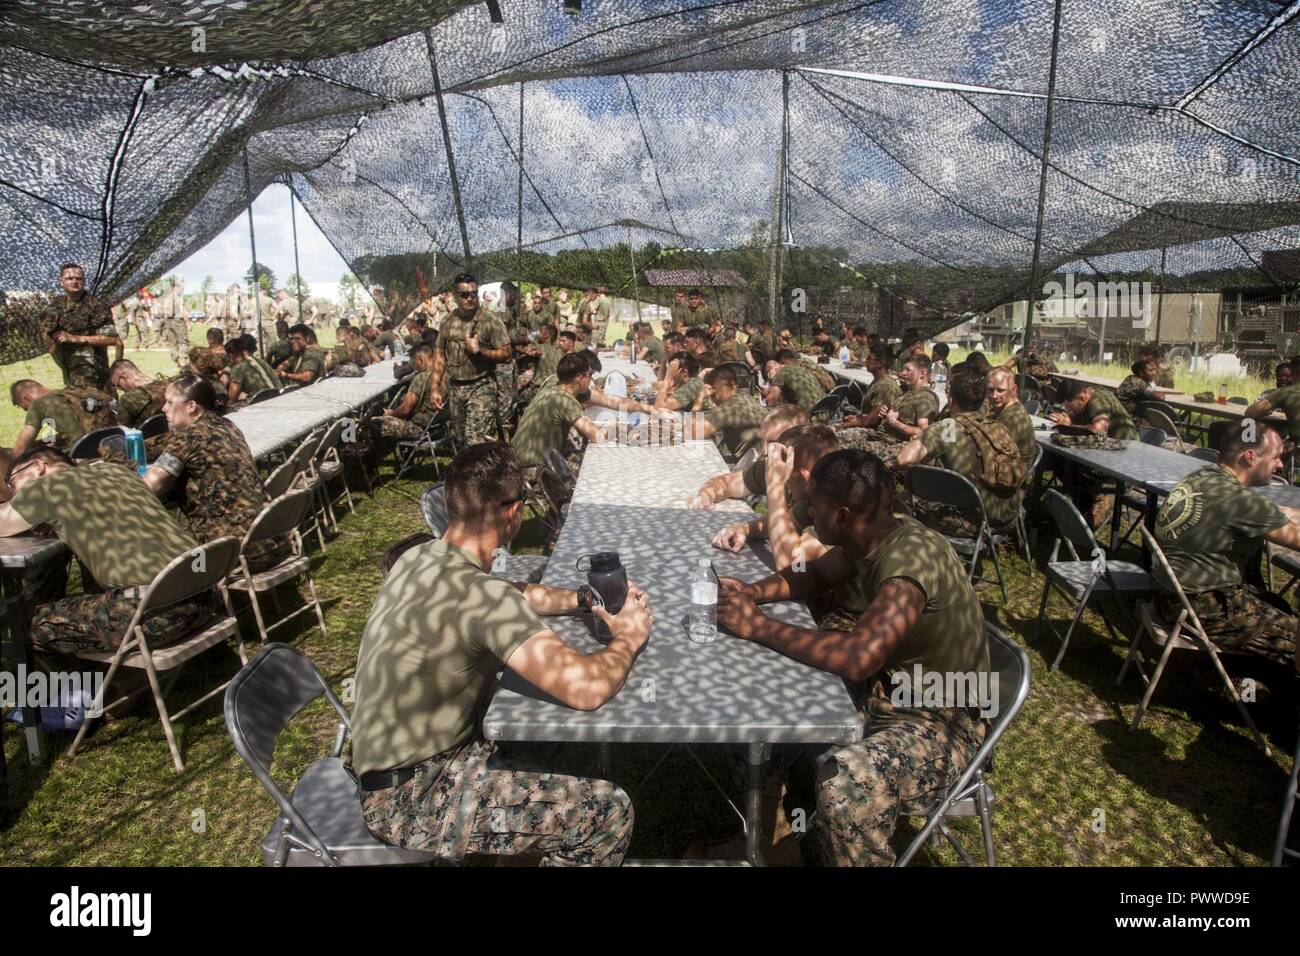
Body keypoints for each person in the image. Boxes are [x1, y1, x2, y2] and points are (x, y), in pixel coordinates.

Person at [351, 443, 652, 866]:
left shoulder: (418, 558)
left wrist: (584, 598)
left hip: (386, 767)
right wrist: (628, 638)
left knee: (545, 744)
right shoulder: (486, 599)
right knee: (606, 812)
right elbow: (586, 689)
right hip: (413, 799)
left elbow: (515, 594)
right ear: (512, 515)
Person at [714, 449, 990, 866]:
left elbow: (860, 657)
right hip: (889, 691)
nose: (805, 511)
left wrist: (758, 626)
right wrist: (753, 593)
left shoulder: (909, 563)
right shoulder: (873, 535)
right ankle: (770, 841)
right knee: (759, 707)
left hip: (942, 720)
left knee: (848, 783)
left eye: (812, 504)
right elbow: (817, 573)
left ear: (842, 515)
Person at [0, 446, 210, 669]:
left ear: (38, 467)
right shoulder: (115, 471)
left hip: (159, 614)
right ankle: (118, 681)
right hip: (205, 595)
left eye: (13, 483)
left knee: (27, 624)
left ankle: (77, 695)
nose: (14, 495)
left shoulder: (48, 487)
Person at [1152, 425, 1300, 669]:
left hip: (1170, 596)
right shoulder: (1239, 501)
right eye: (1276, 457)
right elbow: (1293, 536)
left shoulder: (1206, 477)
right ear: (1250, 456)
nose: (1281, 465)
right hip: (1208, 608)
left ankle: (1242, 677)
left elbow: (1278, 512)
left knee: (1278, 604)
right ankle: (1253, 691)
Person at [136, 375, 286, 569]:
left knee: (154, 546)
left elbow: (150, 485)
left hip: (232, 552)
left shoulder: (189, 438)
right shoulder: (228, 425)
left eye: (170, 402)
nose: (164, 408)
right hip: (270, 540)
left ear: (191, 406)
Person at [896, 364, 1024, 536]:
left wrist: (922, 440)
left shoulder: (949, 427)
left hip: (971, 523)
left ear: (951, 400)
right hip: (1006, 518)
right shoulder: (998, 427)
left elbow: (904, 459)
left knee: (901, 499)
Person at [428, 274, 511, 448]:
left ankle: (484, 474)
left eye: (474, 293)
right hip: (456, 387)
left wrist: (479, 351)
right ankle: (470, 473)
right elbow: (440, 355)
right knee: (459, 440)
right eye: (465, 294)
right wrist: (435, 387)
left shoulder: (490, 321)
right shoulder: (447, 322)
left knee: (477, 443)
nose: (471, 298)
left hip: (481, 385)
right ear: (454, 295)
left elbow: (506, 354)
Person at [688, 404, 810, 510]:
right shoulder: (768, 464)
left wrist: (699, 399)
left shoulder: (817, 480)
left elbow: (691, 432)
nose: (764, 449)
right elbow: (726, 483)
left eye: (773, 442)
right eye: (764, 441)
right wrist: (706, 496)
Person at [512, 353, 609, 473]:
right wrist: (615, 430)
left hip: (515, 464)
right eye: (589, 375)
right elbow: (597, 437)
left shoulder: (551, 390)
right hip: (534, 472)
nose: (591, 380)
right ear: (580, 378)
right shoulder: (565, 399)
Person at [38, 263, 121, 390]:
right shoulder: (54, 307)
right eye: (69, 278)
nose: (74, 282)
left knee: (103, 406)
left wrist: (76, 338)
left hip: (97, 375)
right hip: (70, 372)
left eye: (78, 278)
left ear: (84, 281)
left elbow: (112, 339)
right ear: (61, 282)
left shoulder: (97, 306)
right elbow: (48, 337)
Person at [9, 379, 116, 457]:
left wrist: (12, 461)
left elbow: (22, 445)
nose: (27, 411)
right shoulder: (71, 394)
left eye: (25, 408)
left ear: (27, 398)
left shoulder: (38, 403)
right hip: (113, 441)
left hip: (84, 453)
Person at [684, 365, 766, 459]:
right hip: (761, 458)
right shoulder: (746, 398)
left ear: (713, 389)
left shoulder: (729, 407)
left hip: (750, 466)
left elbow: (690, 433)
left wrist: (699, 398)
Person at [986, 367, 1038, 470]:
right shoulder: (1000, 408)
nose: (994, 395)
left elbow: (988, 451)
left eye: (1000, 390)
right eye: (990, 389)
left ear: (1013, 390)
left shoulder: (1013, 418)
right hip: (999, 467)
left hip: (1010, 477)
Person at [1049, 380, 1138, 440]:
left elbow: (1098, 430)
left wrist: (1069, 427)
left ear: (1081, 398)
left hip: (1128, 449)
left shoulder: (1099, 399)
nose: (1069, 411)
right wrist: (1066, 419)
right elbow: (1072, 417)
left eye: (1070, 407)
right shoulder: (1084, 401)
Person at [108, 360, 174, 428]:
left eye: (119, 385)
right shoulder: (168, 386)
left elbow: (121, 428)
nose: (121, 389)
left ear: (123, 376)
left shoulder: (129, 399)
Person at [223, 335, 280, 408]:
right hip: (278, 396)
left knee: (228, 407)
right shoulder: (261, 361)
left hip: (261, 403)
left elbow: (232, 398)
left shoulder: (238, 368)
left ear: (230, 355)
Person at [157, 277, 190, 371]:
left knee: (172, 343)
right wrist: (188, 322)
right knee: (183, 342)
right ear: (176, 288)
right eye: (180, 287)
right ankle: (183, 362)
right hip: (178, 322)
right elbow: (183, 311)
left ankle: (176, 362)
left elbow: (163, 311)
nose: (181, 289)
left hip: (168, 322)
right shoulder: (178, 298)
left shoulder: (166, 298)